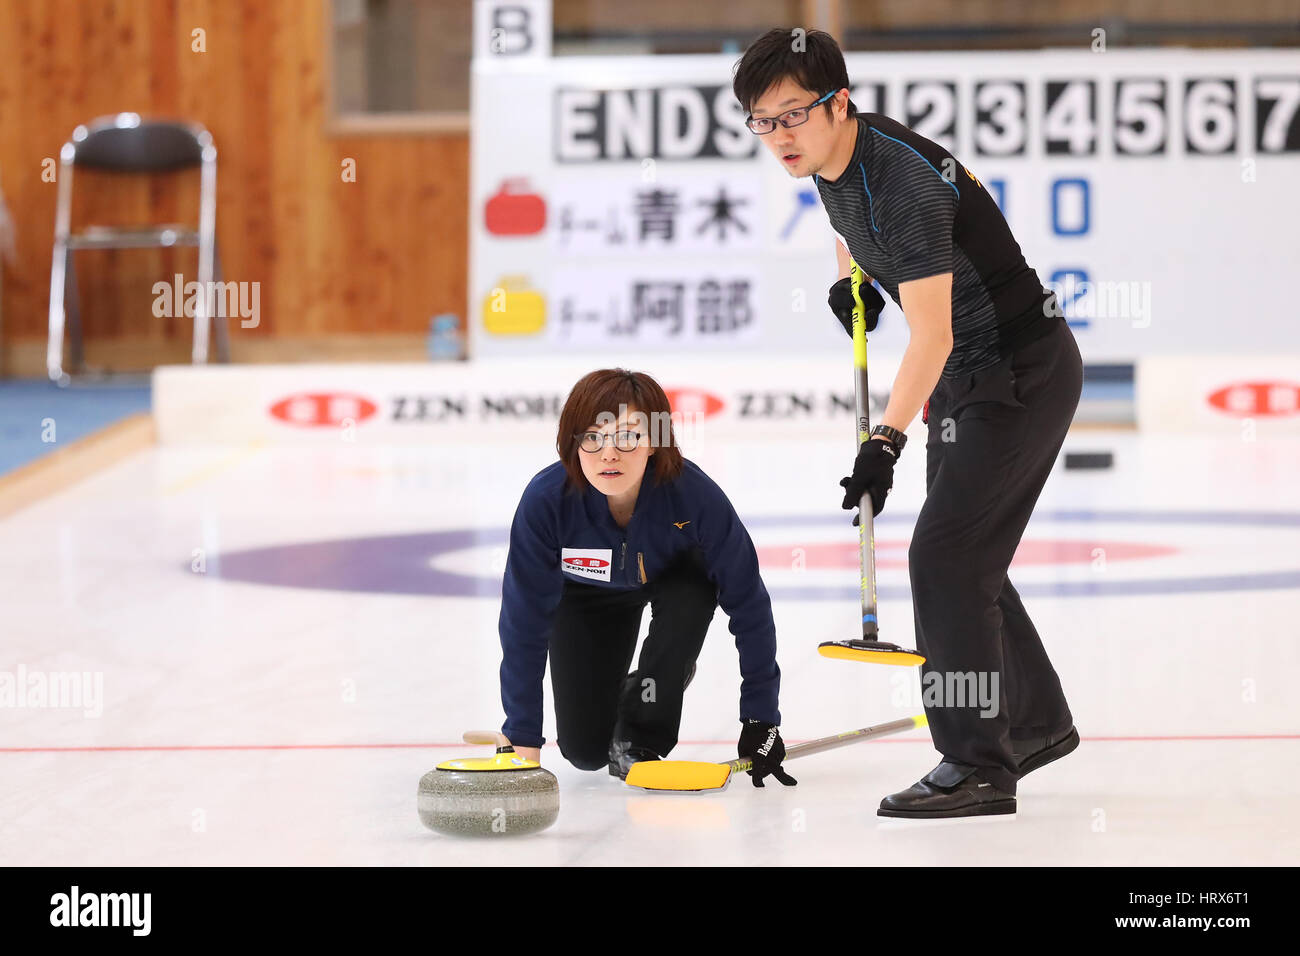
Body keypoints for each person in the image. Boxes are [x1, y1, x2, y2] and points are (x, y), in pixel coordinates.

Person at [732, 28, 1082, 818]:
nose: (779, 136)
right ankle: (1032, 723)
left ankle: (976, 765)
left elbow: (933, 333)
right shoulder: (827, 157)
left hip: (1018, 371)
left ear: (839, 101)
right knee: (969, 555)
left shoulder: (905, 181)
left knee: (945, 557)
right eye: (762, 121)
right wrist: (853, 279)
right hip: (967, 375)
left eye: (793, 115)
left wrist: (882, 442)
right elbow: (851, 219)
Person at [498, 368, 796, 786]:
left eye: (627, 436)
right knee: (585, 752)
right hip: (586, 596)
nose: (608, 454)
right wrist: (521, 734)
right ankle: (641, 687)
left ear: (655, 440)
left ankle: (648, 714)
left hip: (673, 586)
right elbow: (522, 623)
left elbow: (749, 605)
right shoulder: (546, 502)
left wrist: (762, 717)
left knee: (692, 593)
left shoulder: (695, 497)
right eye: (592, 437)